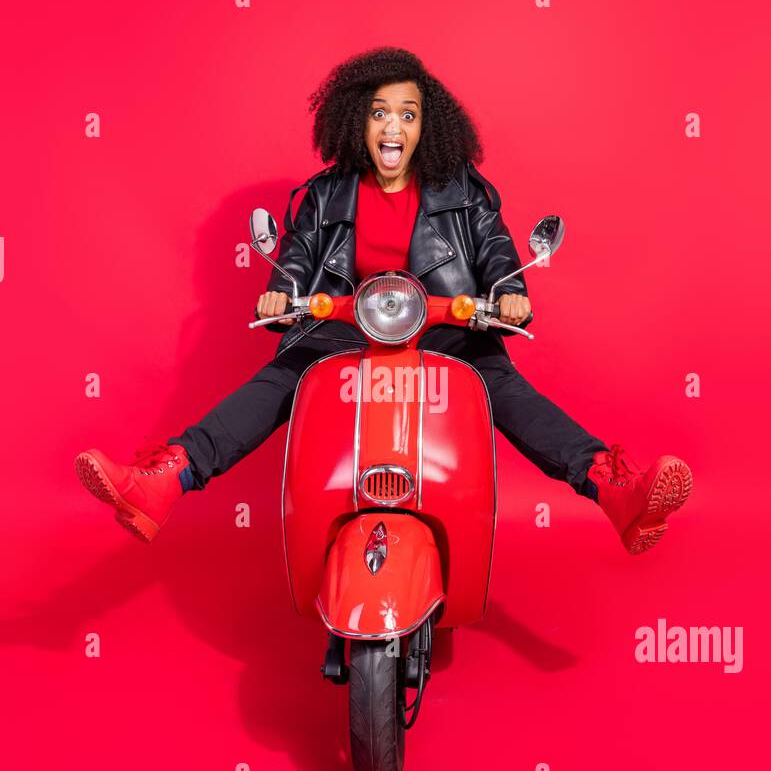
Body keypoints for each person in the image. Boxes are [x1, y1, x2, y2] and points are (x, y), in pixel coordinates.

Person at [75, 47, 692, 554]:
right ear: (357, 123)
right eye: (378, 113)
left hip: (450, 334)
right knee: (278, 381)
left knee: (503, 388)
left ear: (427, 126)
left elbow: (498, 251)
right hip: (344, 336)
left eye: (407, 114)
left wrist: (508, 295)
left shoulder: (464, 191)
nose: (392, 127)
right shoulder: (325, 194)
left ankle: (615, 489)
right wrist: (281, 292)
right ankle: (162, 480)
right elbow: (298, 253)